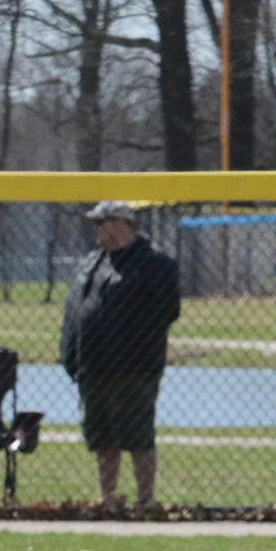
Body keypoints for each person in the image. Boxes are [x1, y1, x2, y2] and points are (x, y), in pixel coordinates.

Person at [58, 200, 180, 509]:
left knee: (137, 435)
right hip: (92, 363)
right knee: (102, 437)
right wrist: (70, 353)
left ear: (121, 224)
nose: (96, 229)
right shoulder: (92, 262)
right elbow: (75, 310)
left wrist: (129, 340)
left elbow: (166, 311)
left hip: (133, 367)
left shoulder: (154, 263)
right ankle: (107, 497)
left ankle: (145, 500)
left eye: (101, 222)